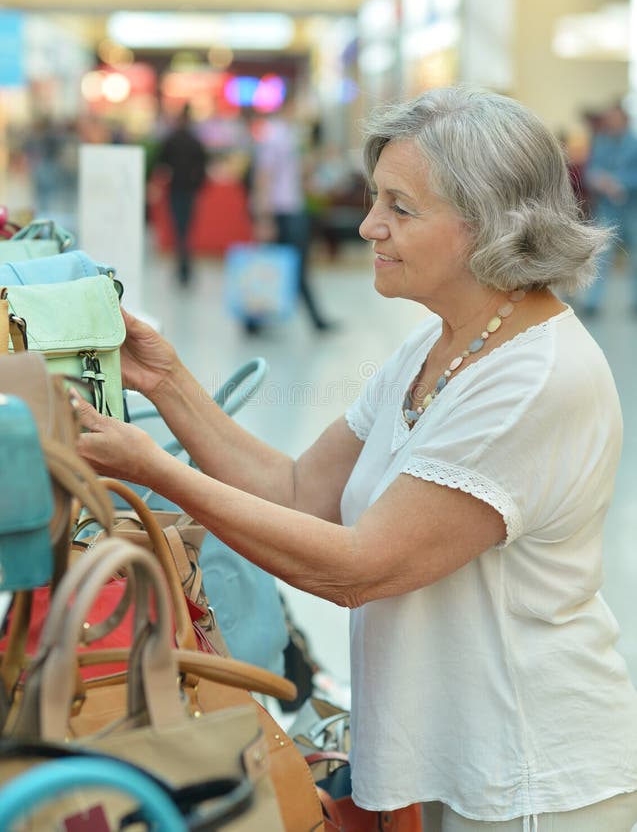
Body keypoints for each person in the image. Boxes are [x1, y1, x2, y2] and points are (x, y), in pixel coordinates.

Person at [75, 86, 637, 830]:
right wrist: (167, 380)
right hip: (448, 758)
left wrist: (153, 468)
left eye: (401, 208)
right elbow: (300, 489)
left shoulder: (533, 380)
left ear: (493, 224)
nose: (370, 225)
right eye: (376, 199)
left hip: (528, 776)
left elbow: (356, 567)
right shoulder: (436, 345)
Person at [248, 100, 338, 334]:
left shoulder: (291, 136)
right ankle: (254, 320)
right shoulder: (274, 137)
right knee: (279, 265)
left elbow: (299, 173)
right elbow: (263, 176)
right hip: (279, 211)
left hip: (292, 208)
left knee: (292, 265)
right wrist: (263, 218)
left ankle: (258, 321)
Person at [581, 101, 637, 315]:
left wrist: (619, 182)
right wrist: (599, 181)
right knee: (602, 256)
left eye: (615, 118)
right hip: (607, 210)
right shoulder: (601, 143)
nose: (611, 122)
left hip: (632, 209)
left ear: (624, 119)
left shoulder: (634, 143)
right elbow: (589, 172)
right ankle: (593, 302)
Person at [155, 104, 208, 286]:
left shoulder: (172, 140)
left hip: (176, 190)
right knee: (186, 231)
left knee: (179, 231)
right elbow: (203, 168)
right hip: (189, 192)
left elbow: (160, 164)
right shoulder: (195, 142)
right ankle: (185, 269)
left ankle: (182, 268)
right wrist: (196, 185)